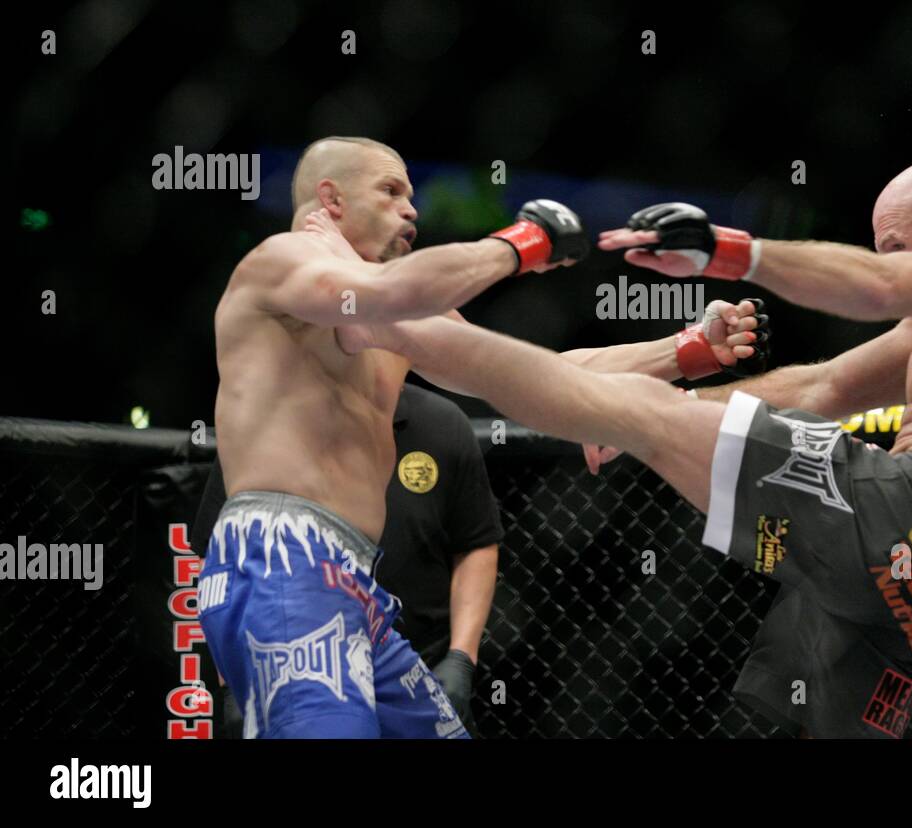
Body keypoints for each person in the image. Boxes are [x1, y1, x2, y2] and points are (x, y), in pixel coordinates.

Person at [335, 158, 912, 738]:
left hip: (899, 515)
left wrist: (730, 252)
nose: (899, 261)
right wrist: (671, 409)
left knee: (637, 408)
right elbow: (824, 388)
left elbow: (875, 285)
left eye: (900, 244)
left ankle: (445, 344)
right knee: (772, 724)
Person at [198, 135, 765, 738]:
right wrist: (516, 246)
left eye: (411, 195)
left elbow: (525, 371)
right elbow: (400, 290)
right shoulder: (282, 262)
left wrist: (681, 351)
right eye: (391, 191)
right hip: (281, 555)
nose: (411, 209)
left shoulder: (390, 309)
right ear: (330, 199)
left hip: (354, 582)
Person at [192, 384, 503, 737]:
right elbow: (218, 559)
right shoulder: (269, 425)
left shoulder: (442, 423)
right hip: (298, 668)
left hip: (415, 660)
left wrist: (461, 658)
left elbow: (476, 542)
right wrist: (232, 681)